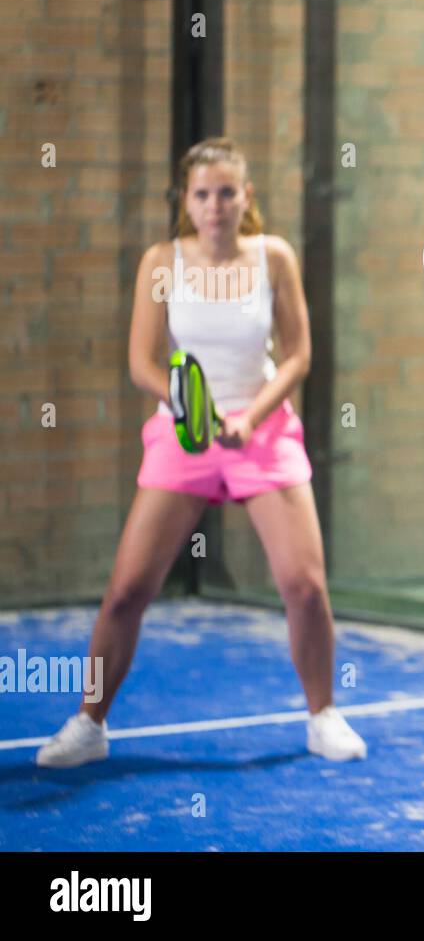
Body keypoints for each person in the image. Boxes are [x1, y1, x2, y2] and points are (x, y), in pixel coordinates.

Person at [38, 137, 367, 767]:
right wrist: (195, 411)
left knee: (304, 585)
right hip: (181, 436)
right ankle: (89, 723)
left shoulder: (274, 257)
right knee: (128, 589)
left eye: (226, 192)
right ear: (185, 201)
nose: (214, 205)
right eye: (201, 194)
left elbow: (297, 353)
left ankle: (323, 715)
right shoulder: (162, 260)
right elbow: (141, 361)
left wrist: (251, 417)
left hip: (262, 434)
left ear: (247, 197)